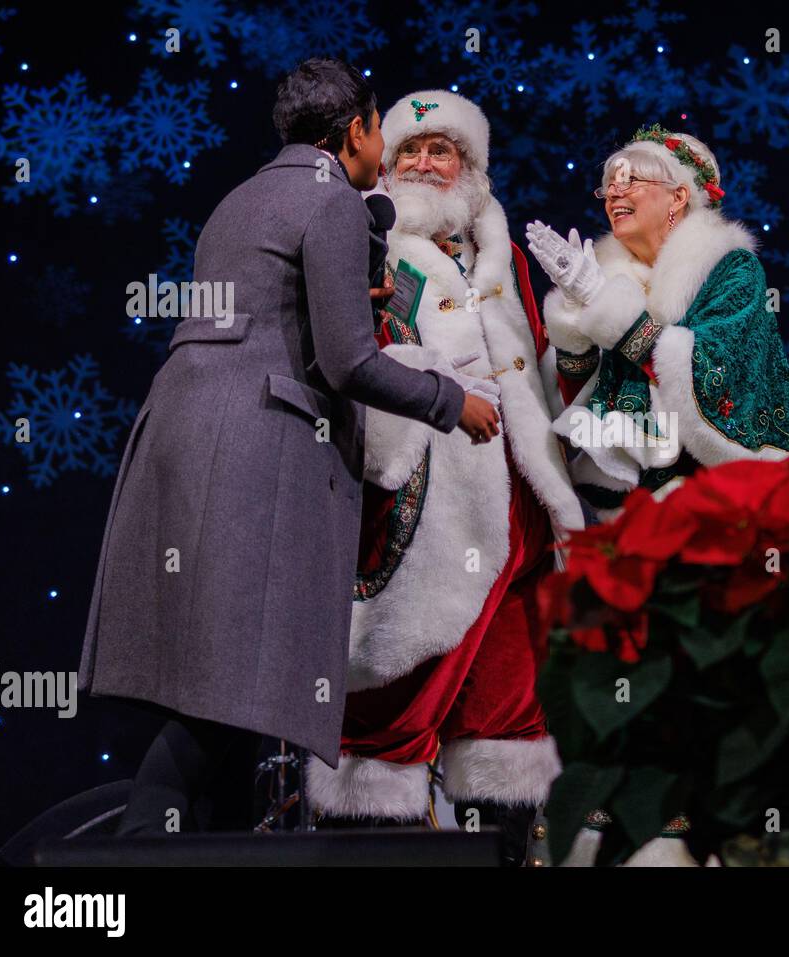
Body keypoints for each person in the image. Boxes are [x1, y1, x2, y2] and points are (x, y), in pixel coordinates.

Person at [78, 59, 500, 836]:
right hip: (257, 450)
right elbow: (348, 363)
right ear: (354, 135)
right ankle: (141, 849)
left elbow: (264, 316)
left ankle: (180, 845)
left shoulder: (239, 199)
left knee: (218, 680)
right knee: (233, 683)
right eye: (380, 130)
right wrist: (453, 402)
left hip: (184, 435)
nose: (386, 147)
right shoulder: (333, 201)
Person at [525, 124, 789, 864]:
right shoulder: (601, 272)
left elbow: (716, 381)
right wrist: (571, 325)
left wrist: (612, 314)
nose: (616, 189)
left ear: (680, 196)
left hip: (710, 512)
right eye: (610, 178)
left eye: (635, 177)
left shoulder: (730, 273)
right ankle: (611, 823)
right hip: (615, 508)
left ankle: (700, 828)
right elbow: (569, 397)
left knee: (694, 673)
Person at [304, 90, 584, 866]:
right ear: (386, 166)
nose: (425, 164)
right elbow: (345, 369)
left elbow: (538, 379)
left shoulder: (505, 260)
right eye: (410, 151)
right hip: (425, 522)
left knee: (506, 724)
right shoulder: (365, 246)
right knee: (389, 719)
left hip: (520, 526)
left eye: (442, 150)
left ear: (470, 167)